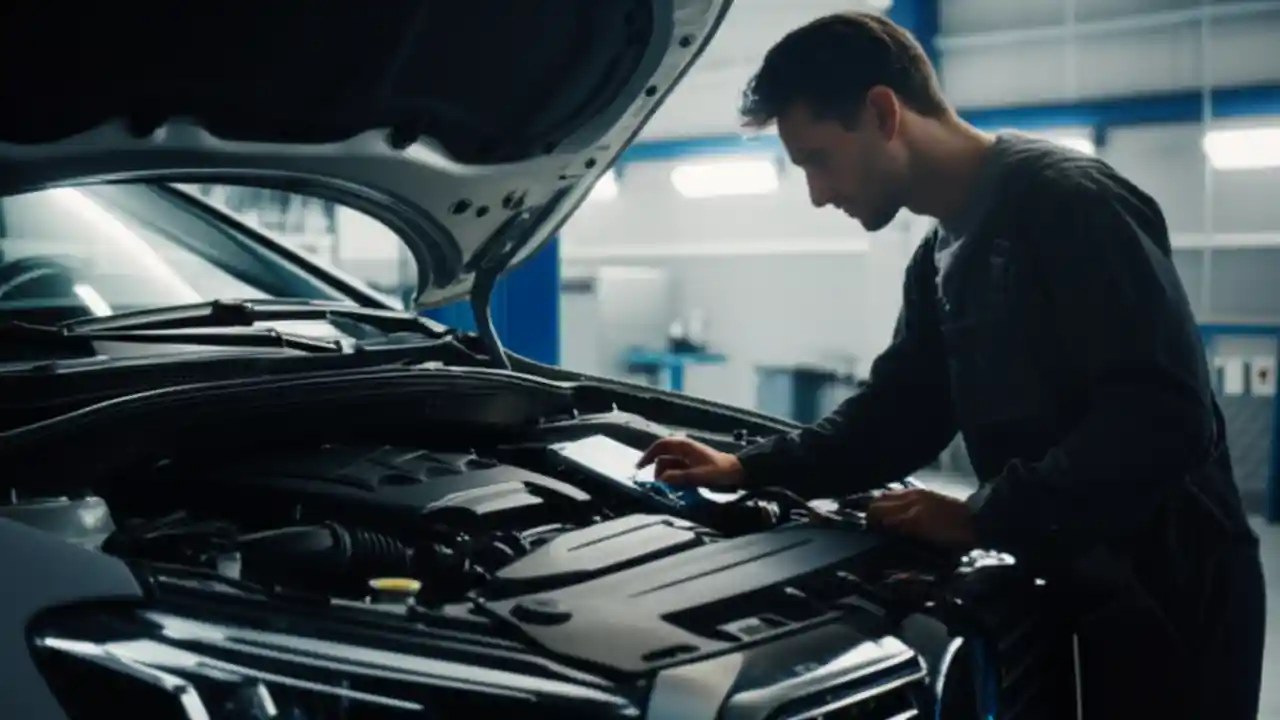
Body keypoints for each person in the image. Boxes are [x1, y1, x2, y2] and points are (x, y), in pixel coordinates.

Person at [636, 12, 1265, 718]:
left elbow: (1161, 416)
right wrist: (750, 467)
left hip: (1170, 597)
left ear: (881, 112)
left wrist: (983, 516)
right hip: (1073, 580)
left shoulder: (1070, 202)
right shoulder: (940, 258)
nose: (817, 193)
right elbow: (898, 414)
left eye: (817, 159)